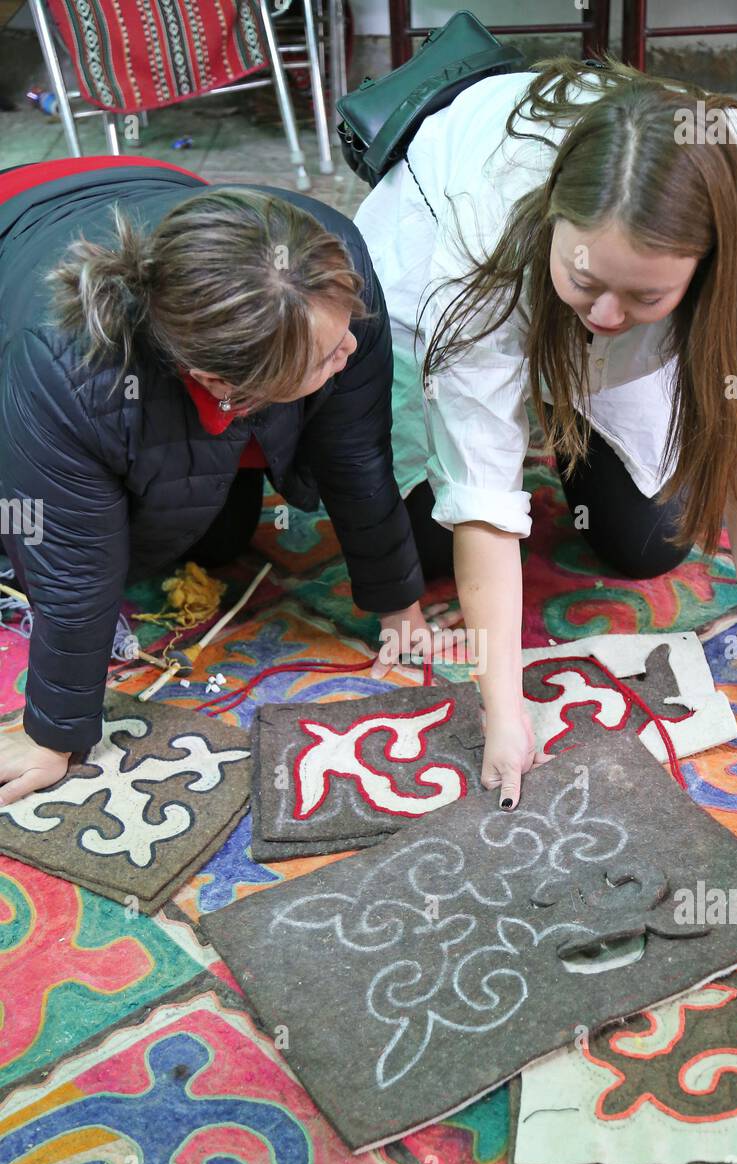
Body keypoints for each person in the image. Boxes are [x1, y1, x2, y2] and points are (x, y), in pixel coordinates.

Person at [355, 58, 737, 809]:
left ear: (707, 266)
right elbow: (482, 496)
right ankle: (542, 366)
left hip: (598, 317)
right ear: (554, 219)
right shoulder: (484, 213)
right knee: (426, 545)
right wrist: (505, 711)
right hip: (453, 260)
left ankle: (567, 413)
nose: (609, 316)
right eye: (587, 282)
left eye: (646, 294)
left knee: (645, 543)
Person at [0, 156, 443, 807]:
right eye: (325, 358)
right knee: (65, 536)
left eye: (344, 329)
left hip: (149, 194)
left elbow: (355, 452)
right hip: (16, 233)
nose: (349, 349)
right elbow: (70, 561)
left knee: (221, 537)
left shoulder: (321, 257)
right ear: (225, 385)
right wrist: (52, 734)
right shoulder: (62, 368)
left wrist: (399, 607)